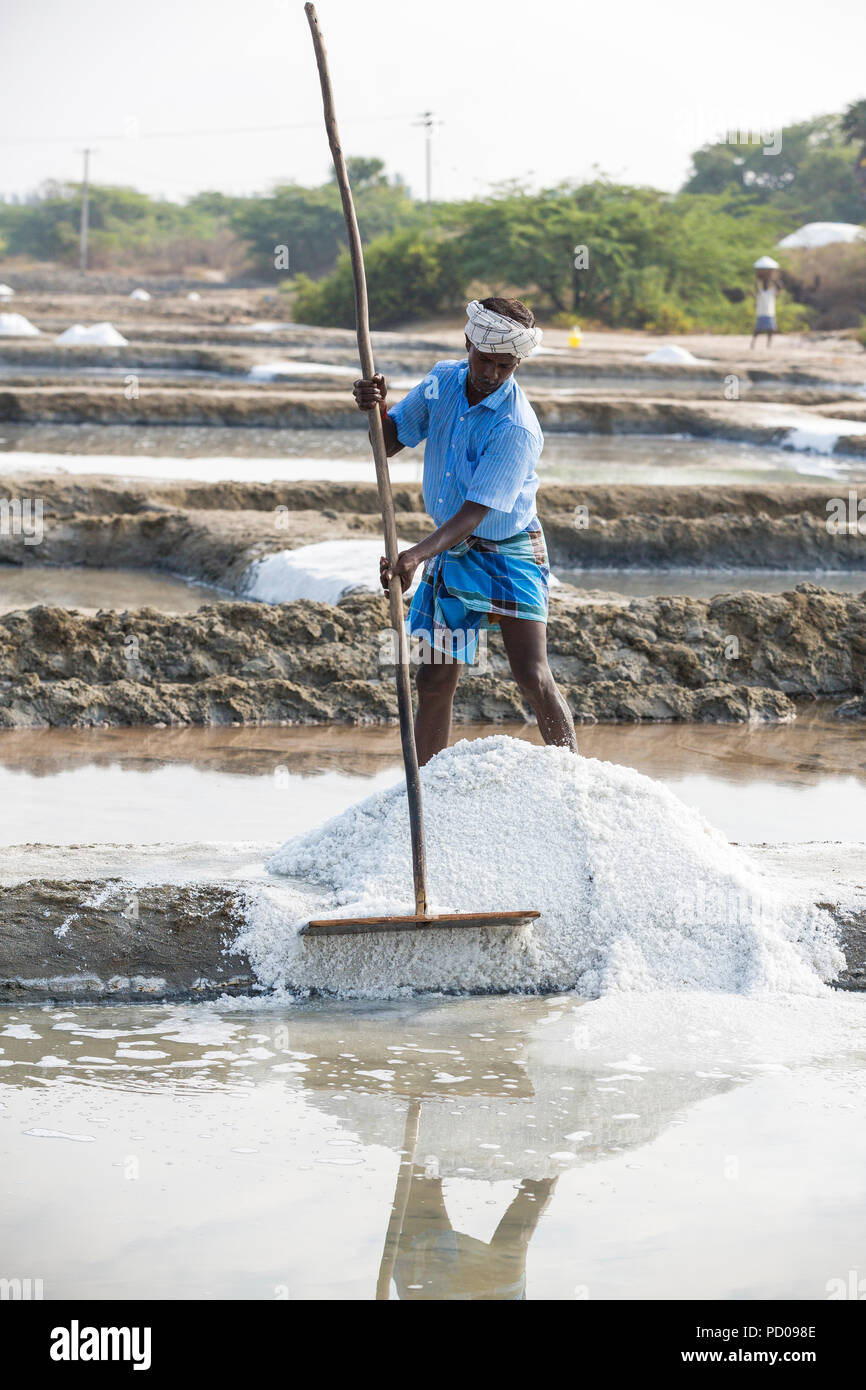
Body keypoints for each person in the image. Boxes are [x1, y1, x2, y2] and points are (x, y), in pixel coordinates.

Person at [352, 296, 577, 765]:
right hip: (452, 548)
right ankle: (427, 785)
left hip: (507, 549)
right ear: (468, 342)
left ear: (516, 363)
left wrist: (414, 556)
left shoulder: (517, 428)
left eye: (504, 366)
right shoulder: (442, 382)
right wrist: (374, 408)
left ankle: (574, 778)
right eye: (484, 360)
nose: (491, 374)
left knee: (532, 675)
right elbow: (388, 443)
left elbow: (475, 512)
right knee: (433, 679)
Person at [750, 267, 780, 349]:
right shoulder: (760, 292)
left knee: (770, 330)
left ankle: (768, 343)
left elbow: (779, 287)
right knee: (757, 330)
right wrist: (757, 279)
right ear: (763, 285)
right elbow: (756, 287)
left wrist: (772, 279)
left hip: (769, 313)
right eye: (765, 283)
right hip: (761, 313)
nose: (766, 284)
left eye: (767, 283)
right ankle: (753, 343)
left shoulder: (771, 291)